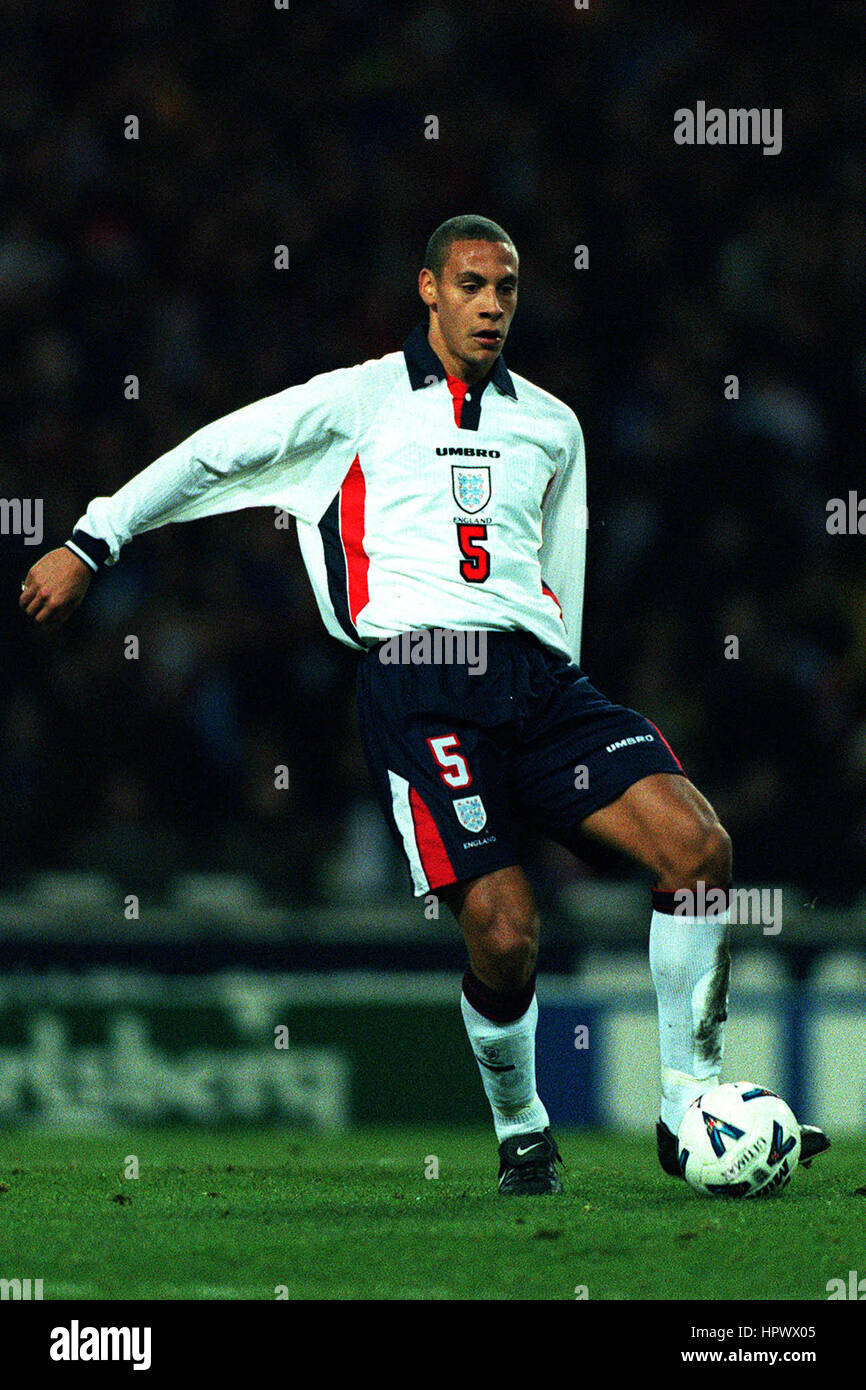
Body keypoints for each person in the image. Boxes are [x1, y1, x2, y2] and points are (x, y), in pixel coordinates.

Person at [20, 215, 828, 1193]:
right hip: (420, 685)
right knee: (502, 923)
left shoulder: (552, 423)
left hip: (539, 683)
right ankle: (522, 1127)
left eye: (506, 288)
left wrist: (558, 683)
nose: (490, 304)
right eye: (472, 284)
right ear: (429, 290)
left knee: (698, 848)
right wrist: (94, 539)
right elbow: (210, 455)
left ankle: (685, 1104)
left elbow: (558, 566)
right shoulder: (355, 401)